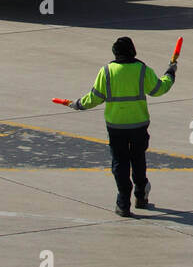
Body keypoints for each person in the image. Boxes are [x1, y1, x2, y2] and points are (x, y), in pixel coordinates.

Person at [68, 37, 177, 217]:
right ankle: (141, 194)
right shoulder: (142, 69)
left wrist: (78, 104)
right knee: (138, 159)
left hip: (116, 126)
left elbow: (94, 97)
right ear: (133, 51)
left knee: (120, 163)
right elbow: (159, 89)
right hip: (138, 124)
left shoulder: (107, 71)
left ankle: (123, 202)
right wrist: (170, 73)